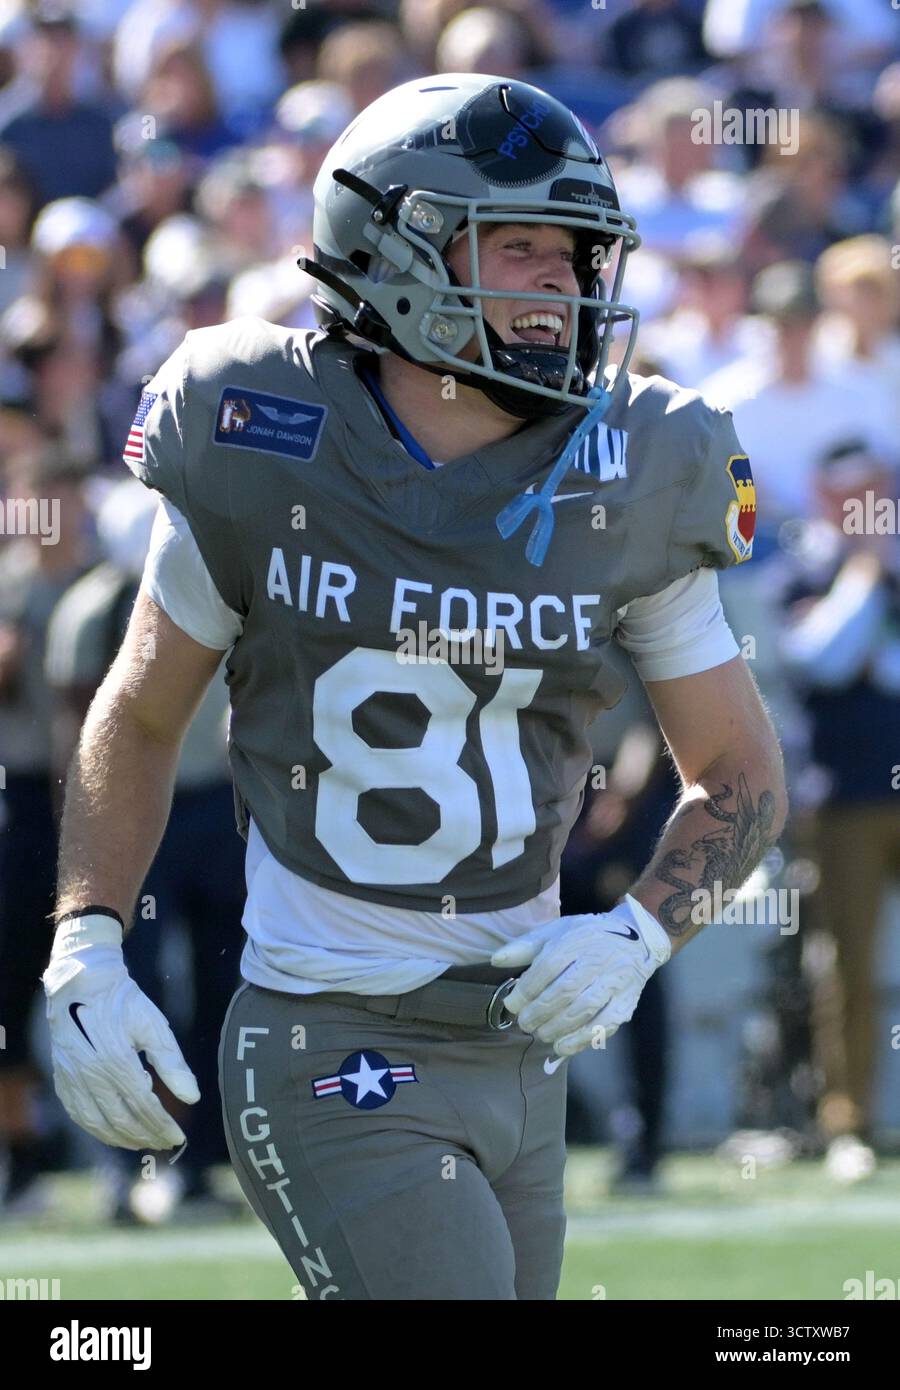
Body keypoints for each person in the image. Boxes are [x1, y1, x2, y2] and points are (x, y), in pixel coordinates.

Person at [40, 73, 787, 1301]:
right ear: (395, 252)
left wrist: (643, 930)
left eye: (577, 256)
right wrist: (88, 941)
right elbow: (140, 707)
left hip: (523, 1044)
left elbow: (741, 773)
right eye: (521, 248)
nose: (560, 286)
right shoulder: (263, 431)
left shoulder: (638, 464)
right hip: (333, 1035)